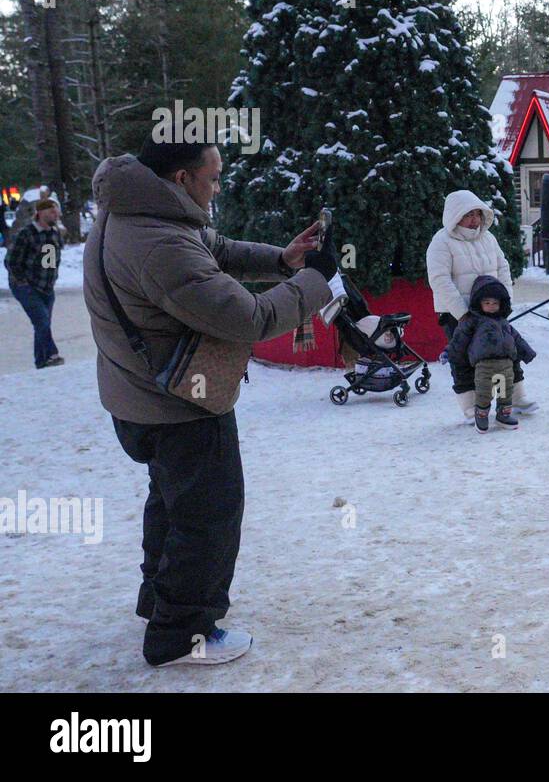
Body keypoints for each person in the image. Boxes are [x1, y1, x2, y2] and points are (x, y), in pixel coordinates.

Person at [83, 143, 335, 667]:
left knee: (174, 505)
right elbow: (249, 319)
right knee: (209, 517)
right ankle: (181, 634)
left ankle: (161, 601)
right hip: (179, 405)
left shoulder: (134, 209)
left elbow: (211, 248)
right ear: (181, 177)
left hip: (137, 397)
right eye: (214, 178)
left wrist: (282, 260)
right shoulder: (158, 245)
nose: (218, 188)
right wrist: (315, 280)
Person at [426, 190, 536, 416]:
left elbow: (503, 268)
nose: (474, 219)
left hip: (492, 312)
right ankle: (471, 406)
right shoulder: (441, 242)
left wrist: (505, 302)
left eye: (477, 213)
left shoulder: (489, 238)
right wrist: (462, 313)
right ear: (455, 215)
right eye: (468, 214)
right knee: (463, 359)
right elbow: (439, 279)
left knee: (507, 352)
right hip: (458, 315)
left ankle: (516, 397)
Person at [445, 275, 537, 434]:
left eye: (495, 303)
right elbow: (459, 338)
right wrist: (449, 352)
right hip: (484, 366)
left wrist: (527, 352)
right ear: (478, 303)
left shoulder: (504, 322)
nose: (491, 306)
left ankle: (503, 415)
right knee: (484, 391)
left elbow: (516, 338)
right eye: (487, 303)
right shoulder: (473, 321)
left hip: (506, 365)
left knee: (505, 391)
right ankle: (481, 415)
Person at [5, 197, 64, 368]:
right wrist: (22, 281)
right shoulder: (26, 233)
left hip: (46, 287)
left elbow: (52, 260)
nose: (56, 214)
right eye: (52, 211)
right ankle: (52, 355)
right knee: (42, 321)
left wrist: (51, 279)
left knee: (43, 325)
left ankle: (41, 362)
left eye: (56, 211)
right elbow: (11, 261)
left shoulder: (53, 233)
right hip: (25, 286)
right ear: (40, 213)